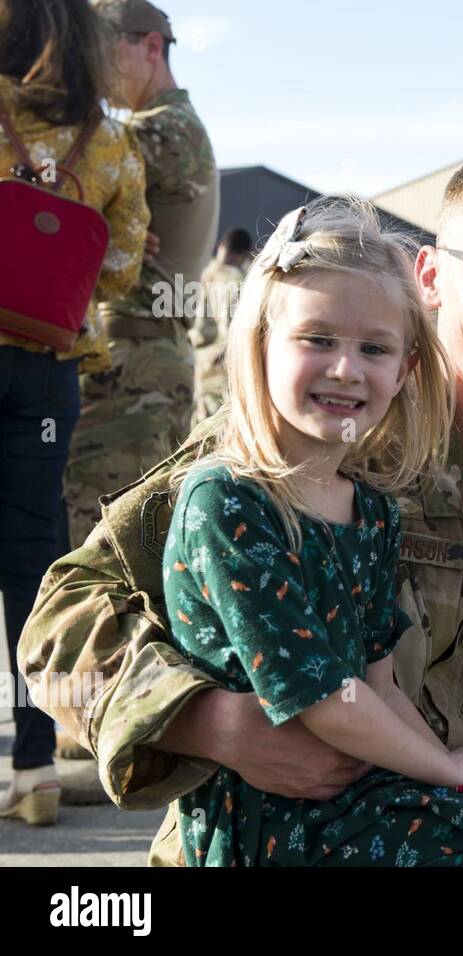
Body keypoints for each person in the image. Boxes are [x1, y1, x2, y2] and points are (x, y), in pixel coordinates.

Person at [19, 148, 463, 867]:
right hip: (278, 837)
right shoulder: (305, 438)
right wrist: (210, 722)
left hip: (447, 825)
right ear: (429, 276)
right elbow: (58, 627)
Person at [161, 198, 463, 866]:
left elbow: (379, 681)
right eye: (317, 339)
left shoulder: (375, 508)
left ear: (404, 368)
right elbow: (74, 604)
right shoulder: (228, 493)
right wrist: (203, 720)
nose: (345, 369)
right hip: (279, 817)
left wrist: (451, 766)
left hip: (374, 788)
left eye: (372, 348)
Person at [0, 0, 147, 827]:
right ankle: (33, 770)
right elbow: (120, 268)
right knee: (32, 564)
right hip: (49, 375)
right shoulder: (111, 140)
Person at [63, 0, 218, 548]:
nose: (95, 69)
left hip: (132, 371)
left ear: (150, 47)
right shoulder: (150, 132)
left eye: (106, 52)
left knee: (96, 554)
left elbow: (61, 183)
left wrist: (99, 219)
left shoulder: (160, 133)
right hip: (138, 366)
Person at [190, 226, 253, 427]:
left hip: (198, 359)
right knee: (219, 428)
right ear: (244, 255)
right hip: (221, 364)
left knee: (196, 426)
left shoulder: (203, 270)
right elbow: (237, 329)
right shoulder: (236, 281)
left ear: (221, 246)